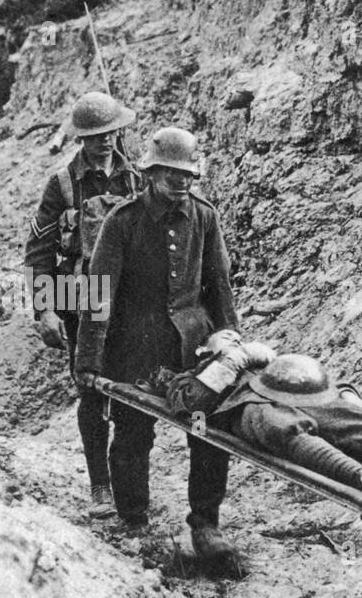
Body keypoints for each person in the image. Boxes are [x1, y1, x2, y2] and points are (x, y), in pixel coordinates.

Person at [74, 127, 240, 568]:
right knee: (132, 435)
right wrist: (89, 361)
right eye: (171, 174)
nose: (181, 183)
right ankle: (134, 519)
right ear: (151, 173)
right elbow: (97, 294)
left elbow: (219, 287)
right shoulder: (123, 221)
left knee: (209, 432)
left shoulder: (205, 217)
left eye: (187, 175)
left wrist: (231, 346)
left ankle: (206, 523)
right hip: (135, 346)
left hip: (193, 346)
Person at [23, 91, 141, 519]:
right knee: (90, 390)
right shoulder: (63, 183)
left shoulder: (135, 178)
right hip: (80, 295)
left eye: (110, 134)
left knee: (130, 388)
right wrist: (45, 309)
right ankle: (100, 486)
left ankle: (129, 482)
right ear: (80, 140)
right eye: (94, 137)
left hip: (126, 296)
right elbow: (38, 251)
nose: (104, 143)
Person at [153, 331, 362, 496]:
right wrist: (235, 359)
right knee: (283, 428)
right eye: (225, 338)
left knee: (356, 423)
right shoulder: (195, 375)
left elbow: (316, 379)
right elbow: (193, 405)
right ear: (205, 351)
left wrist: (347, 397)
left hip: (303, 395)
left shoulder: (266, 361)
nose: (234, 339)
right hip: (244, 405)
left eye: (237, 339)